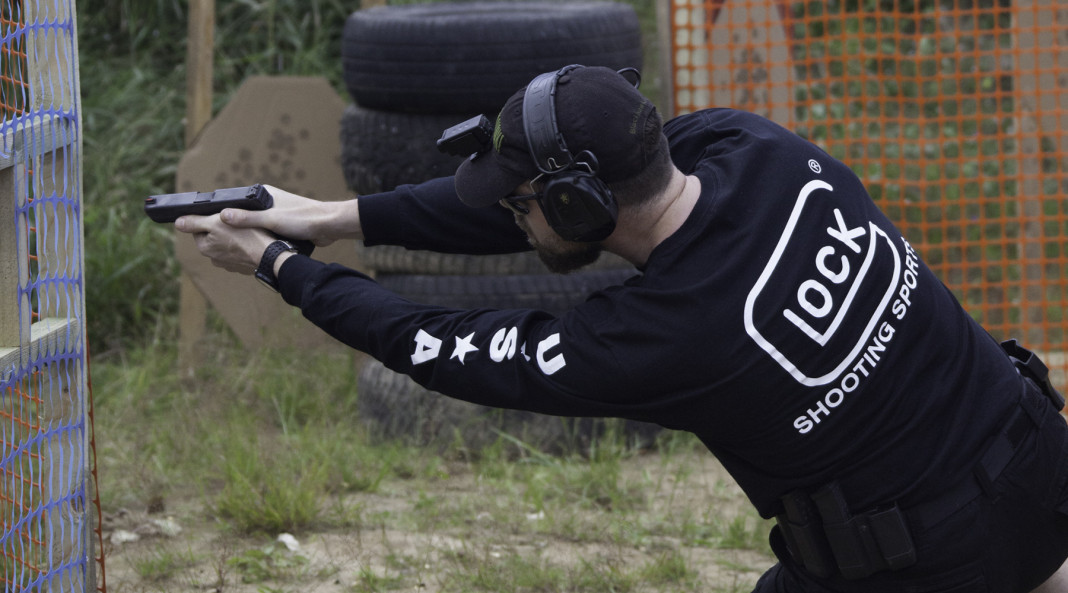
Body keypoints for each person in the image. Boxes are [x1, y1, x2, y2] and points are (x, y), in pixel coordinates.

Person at [175, 64, 1068, 592]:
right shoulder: (757, 148)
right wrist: (322, 217)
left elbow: (434, 344)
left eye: (526, 203)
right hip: (1042, 464)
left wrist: (275, 268)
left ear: (579, 200)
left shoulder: (669, 336)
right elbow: (522, 213)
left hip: (931, 560)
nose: (515, 219)